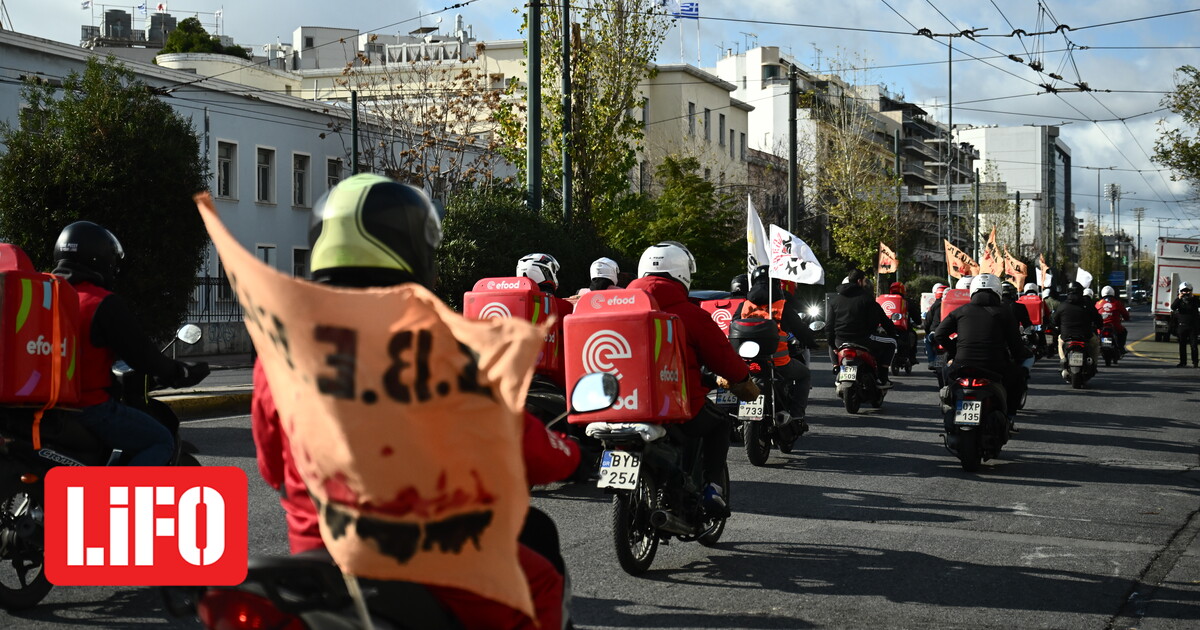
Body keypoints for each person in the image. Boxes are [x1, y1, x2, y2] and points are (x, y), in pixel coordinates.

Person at [251, 174, 578, 630]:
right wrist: (569, 452)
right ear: (411, 251)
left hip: (316, 557)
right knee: (538, 584)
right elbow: (523, 448)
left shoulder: (280, 348)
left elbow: (270, 467)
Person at [51, 221, 208, 465]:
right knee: (160, 440)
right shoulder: (99, 302)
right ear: (100, 258)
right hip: (86, 407)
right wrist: (179, 371)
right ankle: (111, 500)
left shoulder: (40, 293)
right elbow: (142, 355)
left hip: (39, 407)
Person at [626, 241, 759, 516]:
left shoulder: (616, 309)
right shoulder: (690, 314)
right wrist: (743, 380)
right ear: (682, 273)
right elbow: (723, 358)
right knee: (720, 424)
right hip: (673, 405)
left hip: (618, 401)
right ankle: (712, 489)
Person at [933, 274, 1030, 423]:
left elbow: (939, 334)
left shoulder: (960, 311)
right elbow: (1016, 345)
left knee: (945, 371)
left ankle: (948, 403)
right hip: (995, 366)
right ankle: (1009, 417)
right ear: (997, 291)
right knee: (1018, 378)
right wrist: (1021, 357)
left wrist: (955, 352)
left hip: (961, 365)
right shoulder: (1005, 312)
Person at [733, 265, 816, 428]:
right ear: (777, 284)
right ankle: (797, 415)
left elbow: (733, 327)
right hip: (777, 361)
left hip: (747, 361)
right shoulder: (782, 306)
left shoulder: (743, 306)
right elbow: (800, 329)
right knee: (804, 375)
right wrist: (811, 342)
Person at [827, 269, 898, 386]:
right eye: (865, 281)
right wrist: (892, 332)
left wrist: (832, 344)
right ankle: (882, 377)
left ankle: (837, 368)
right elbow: (878, 321)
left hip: (840, 341)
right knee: (892, 342)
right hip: (863, 339)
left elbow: (829, 326)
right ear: (859, 281)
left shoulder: (835, 301)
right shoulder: (867, 299)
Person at [1051, 281, 1104, 379]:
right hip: (1086, 336)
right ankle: (1094, 364)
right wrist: (1099, 326)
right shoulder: (1087, 304)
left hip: (1066, 336)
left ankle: (1063, 359)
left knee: (1060, 341)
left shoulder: (1062, 305)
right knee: (1096, 344)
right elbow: (1098, 319)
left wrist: (1058, 327)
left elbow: (1054, 321)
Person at [887, 281, 921, 367]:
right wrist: (918, 322)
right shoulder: (907, 302)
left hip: (887, 328)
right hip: (904, 330)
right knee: (913, 335)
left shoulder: (886, 300)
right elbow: (916, 318)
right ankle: (912, 357)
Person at [1096, 285, 1131, 356]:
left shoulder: (1098, 304)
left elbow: (1093, 314)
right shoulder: (1117, 303)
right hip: (1115, 326)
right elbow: (1125, 314)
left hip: (1101, 327)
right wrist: (1126, 318)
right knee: (1124, 332)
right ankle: (1121, 348)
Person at [1171, 282, 1200, 367]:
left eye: (1187, 291)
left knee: (1194, 345)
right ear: (1180, 291)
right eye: (1183, 291)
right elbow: (1173, 307)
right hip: (1182, 325)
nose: (1186, 293)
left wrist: (1192, 297)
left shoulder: (1195, 300)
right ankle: (1183, 362)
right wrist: (1179, 298)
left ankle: (1195, 362)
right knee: (1182, 345)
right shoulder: (1179, 300)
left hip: (1193, 326)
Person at [923, 283, 948, 369]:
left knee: (928, 341)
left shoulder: (934, 305)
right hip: (949, 334)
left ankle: (931, 361)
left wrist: (927, 332)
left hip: (935, 333)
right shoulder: (953, 305)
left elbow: (927, 321)